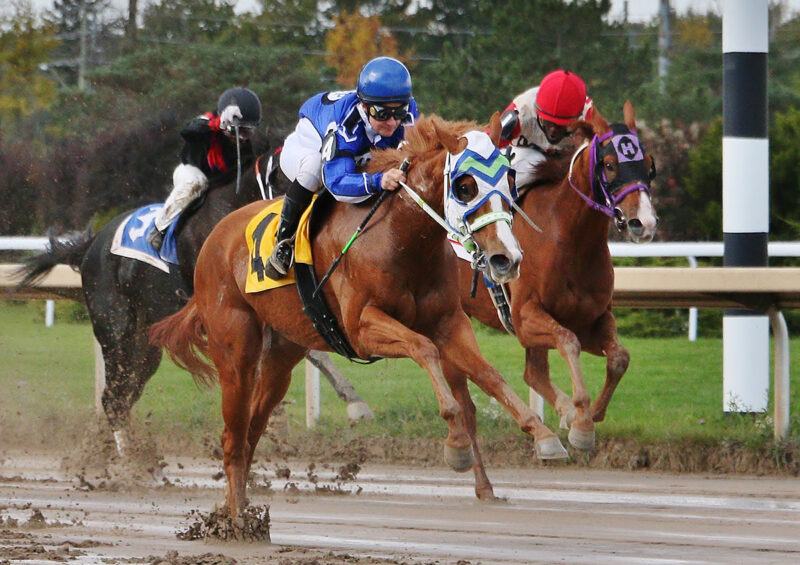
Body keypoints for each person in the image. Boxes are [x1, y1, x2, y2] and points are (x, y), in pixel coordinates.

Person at [264, 56, 418, 280]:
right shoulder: (346, 126)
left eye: (399, 112)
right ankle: (283, 243)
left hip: (357, 150)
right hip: (309, 147)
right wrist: (378, 181)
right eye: (382, 114)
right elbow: (336, 184)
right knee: (313, 169)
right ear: (364, 106)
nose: (393, 122)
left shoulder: (408, 108)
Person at [146, 87, 263, 251]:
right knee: (196, 182)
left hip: (218, 184)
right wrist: (217, 124)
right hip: (191, 171)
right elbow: (188, 130)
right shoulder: (208, 122)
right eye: (238, 130)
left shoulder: (247, 148)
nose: (242, 137)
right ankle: (159, 229)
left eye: (248, 131)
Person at [498, 69, 593, 188]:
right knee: (531, 163)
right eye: (548, 122)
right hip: (522, 157)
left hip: (566, 163)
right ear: (537, 110)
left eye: (560, 125)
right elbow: (488, 144)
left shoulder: (589, 117)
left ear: (577, 118)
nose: (552, 131)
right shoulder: (522, 111)